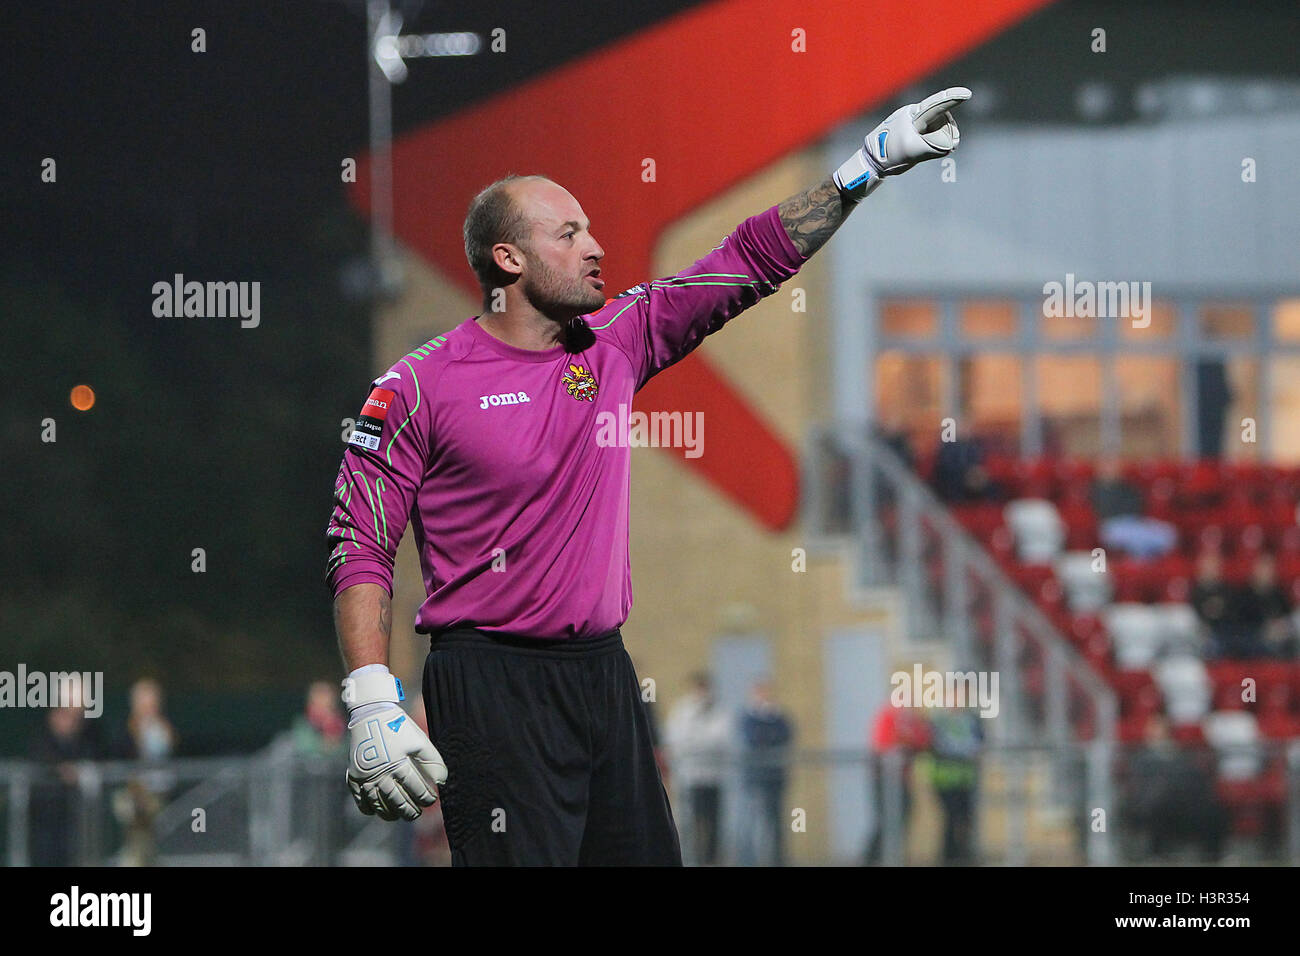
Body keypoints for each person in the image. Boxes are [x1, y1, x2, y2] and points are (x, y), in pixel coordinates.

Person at [325, 88, 971, 865]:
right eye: (569, 234)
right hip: (490, 684)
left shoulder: (613, 344)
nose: (596, 245)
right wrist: (371, 698)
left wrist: (865, 167)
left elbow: (743, 264)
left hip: (603, 672)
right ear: (509, 259)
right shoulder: (417, 386)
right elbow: (360, 541)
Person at [1125, 713, 1227, 862]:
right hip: (1154, 806)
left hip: (1182, 803)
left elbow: (1191, 778)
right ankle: (1157, 855)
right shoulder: (1141, 756)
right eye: (1153, 727)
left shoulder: (1179, 753)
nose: (1155, 731)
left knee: (1213, 810)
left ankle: (1213, 857)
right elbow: (1140, 786)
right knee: (1161, 806)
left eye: (1159, 727)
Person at [28, 682, 105, 867]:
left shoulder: (90, 733)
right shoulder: (43, 735)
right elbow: (40, 760)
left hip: (78, 817)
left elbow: (100, 756)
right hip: (48, 817)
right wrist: (60, 770)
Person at [665, 672, 733, 865]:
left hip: (714, 777)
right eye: (699, 688)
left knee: (713, 823)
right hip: (690, 779)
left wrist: (697, 741)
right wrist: (698, 738)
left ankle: (710, 860)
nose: (703, 692)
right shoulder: (683, 710)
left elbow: (721, 739)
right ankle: (690, 859)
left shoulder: (720, 711)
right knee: (691, 823)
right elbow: (676, 739)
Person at [863, 700, 931, 864]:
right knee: (886, 821)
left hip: (902, 780)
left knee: (904, 818)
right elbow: (884, 744)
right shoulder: (888, 716)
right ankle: (871, 860)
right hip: (883, 779)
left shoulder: (914, 721)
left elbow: (923, 741)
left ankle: (895, 857)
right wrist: (905, 740)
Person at [736, 680, 794, 866]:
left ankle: (778, 860)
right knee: (750, 821)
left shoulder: (778, 716)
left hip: (775, 778)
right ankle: (748, 861)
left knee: (776, 822)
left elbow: (786, 734)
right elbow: (753, 737)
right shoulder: (747, 717)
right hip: (754, 778)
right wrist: (768, 736)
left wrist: (768, 731)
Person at [926, 705, 983, 865]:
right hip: (944, 780)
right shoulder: (938, 720)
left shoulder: (971, 719)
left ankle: (964, 857)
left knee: (966, 820)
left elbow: (979, 743)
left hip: (966, 780)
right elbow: (940, 745)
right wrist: (964, 750)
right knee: (951, 820)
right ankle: (948, 859)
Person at [1227, 552, 1295, 659]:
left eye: (1269, 568)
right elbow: (1238, 626)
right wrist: (1264, 630)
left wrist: (1280, 628)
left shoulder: (1280, 594)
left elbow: (1288, 619)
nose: (1266, 572)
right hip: (1253, 642)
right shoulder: (1243, 595)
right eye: (1263, 568)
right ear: (1255, 569)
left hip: (1280, 641)